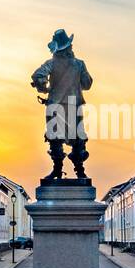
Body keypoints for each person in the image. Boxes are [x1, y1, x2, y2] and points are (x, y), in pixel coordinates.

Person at [31, 29, 92, 180]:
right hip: (73, 105)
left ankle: (57, 170)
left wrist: (44, 87)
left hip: (55, 106)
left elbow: (38, 75)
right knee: (77, 138)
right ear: (68, 48)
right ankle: (80, 171)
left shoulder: (51, 63)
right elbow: (87, 84)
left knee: (55, 138)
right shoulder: (79, 64)